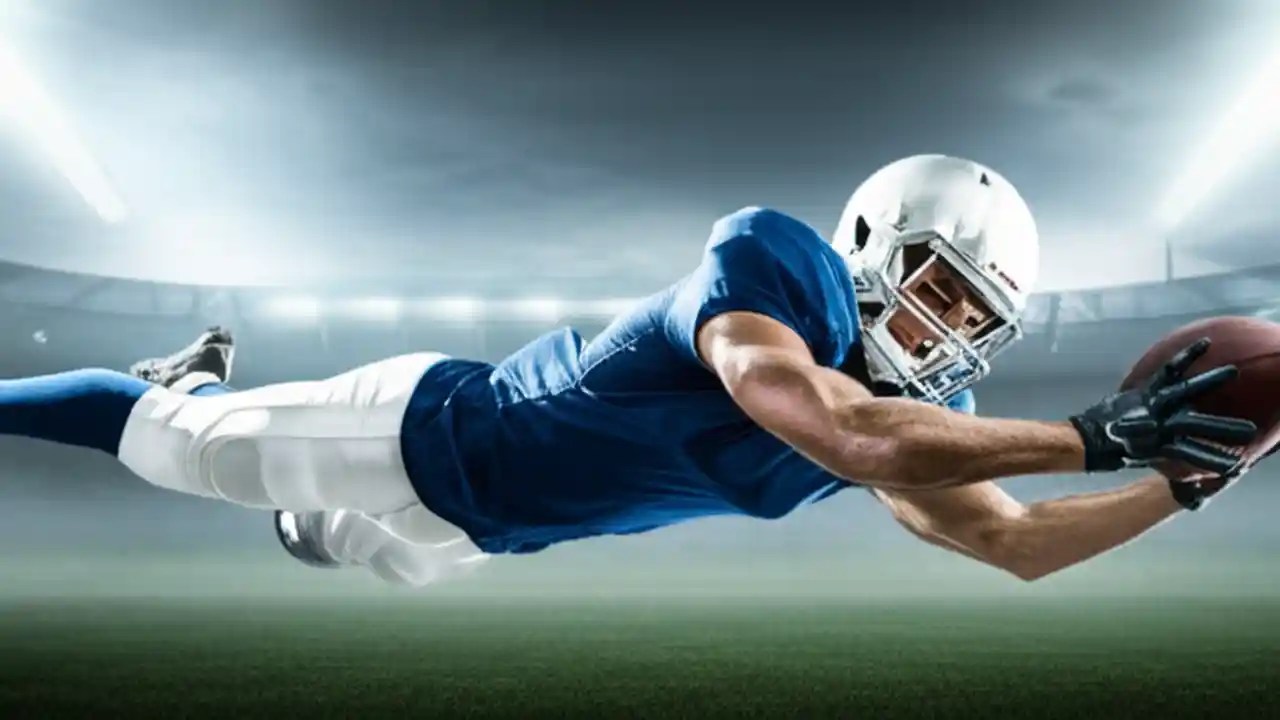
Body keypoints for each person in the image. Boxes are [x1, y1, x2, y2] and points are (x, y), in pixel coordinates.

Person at [1, 155, 1256, 587]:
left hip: (487, 533)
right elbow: (843, 435)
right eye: (932, 290)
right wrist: (1101, 436)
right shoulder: (774, 267)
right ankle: (161, 395)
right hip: (437, 431)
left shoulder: (931, 412)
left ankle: (206, 386)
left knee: (317, 543)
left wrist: (1182, 479)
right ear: (871, 245)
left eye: (965, 318)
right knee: (172, 450)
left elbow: (1014, 548)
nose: (937, 338)